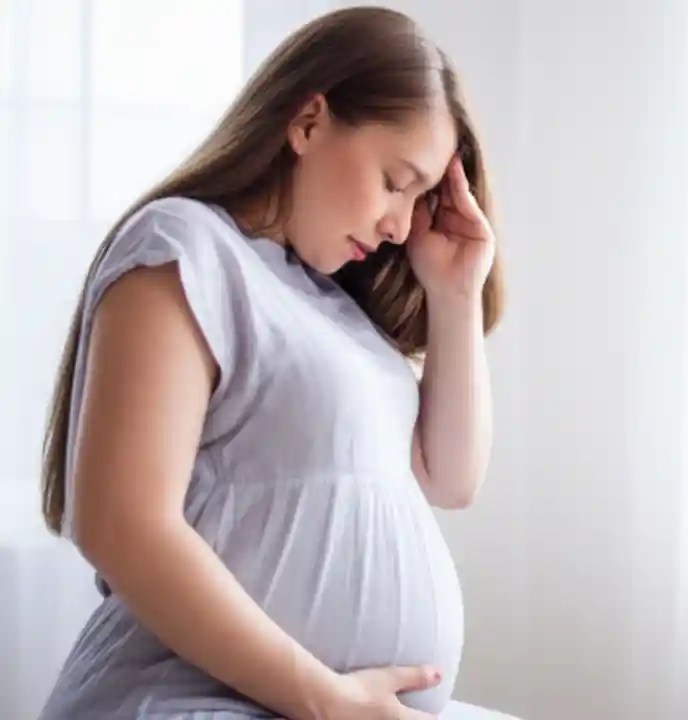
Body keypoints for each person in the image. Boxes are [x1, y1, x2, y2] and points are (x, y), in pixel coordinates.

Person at [35, 7, 512, 719]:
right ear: (309, 122)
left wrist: (456, 293)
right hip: (191, 697)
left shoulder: (331, 305)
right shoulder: (185, 246)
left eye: (420, 198)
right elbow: (121, 523)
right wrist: (327, 701)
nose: (401, 227)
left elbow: (452, 477)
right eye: (393, 180)